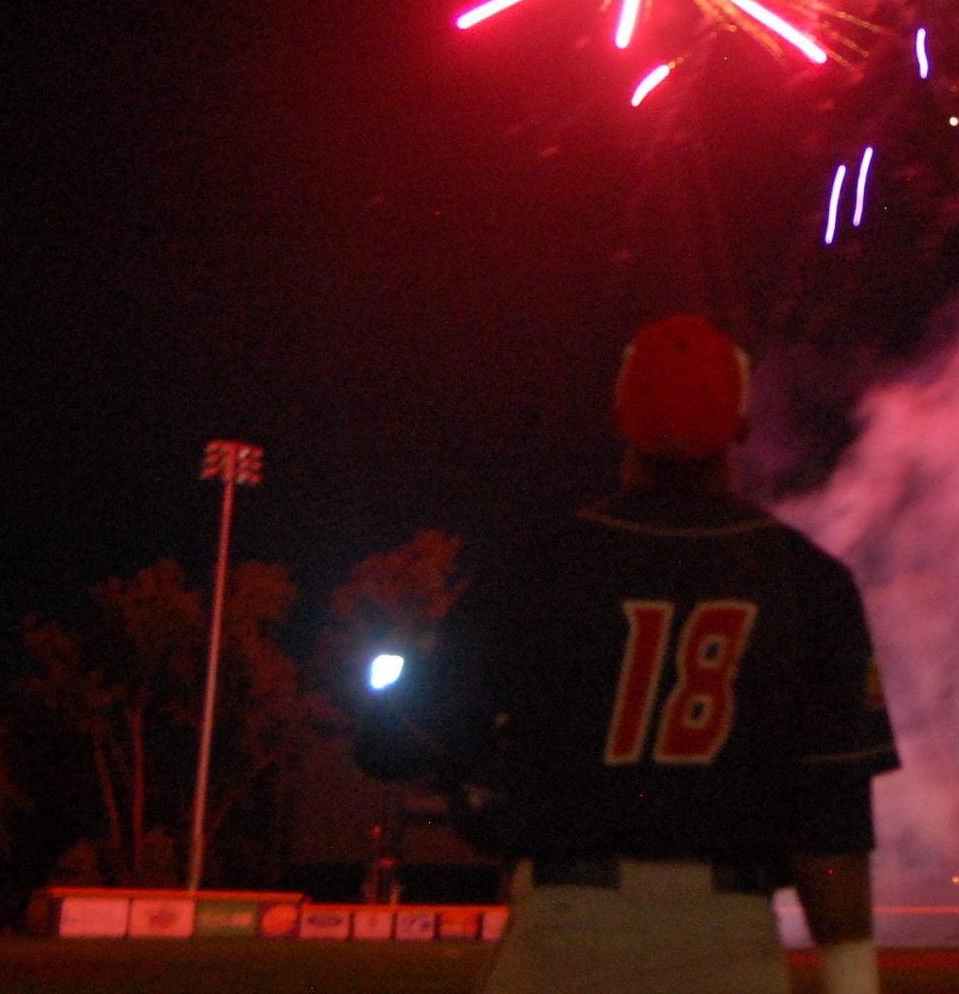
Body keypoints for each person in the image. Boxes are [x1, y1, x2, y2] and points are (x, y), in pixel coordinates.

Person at [360, 313, 898, 994]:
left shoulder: (540, 565)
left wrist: (479, 785)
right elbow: (833, 828)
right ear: (739, 424)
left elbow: (406, 743)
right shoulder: (809, 580)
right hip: (727, 935)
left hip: (565, 927)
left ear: (620, 414)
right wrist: (854, 984)